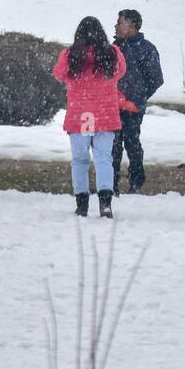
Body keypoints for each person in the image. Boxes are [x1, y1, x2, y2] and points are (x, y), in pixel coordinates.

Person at [53, 17, 126, 218]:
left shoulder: (71, 54)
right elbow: (121, 72)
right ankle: (105, 203)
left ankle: (82, 202)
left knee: (80, 160)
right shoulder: (112, 53)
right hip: (105, 115)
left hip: (81, 115)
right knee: (104, 159)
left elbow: (59, 74)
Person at [112, 8, 163, 195]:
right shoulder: (114, 47)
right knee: (112, 146)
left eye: (121, 22)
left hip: (133, 107)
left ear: (133, 25)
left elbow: (155, 78)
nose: (116, 25)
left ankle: (136, 183)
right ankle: (111, 183)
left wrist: (139, 96)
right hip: (112, 106)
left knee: (132, 144)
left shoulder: (146, 48)